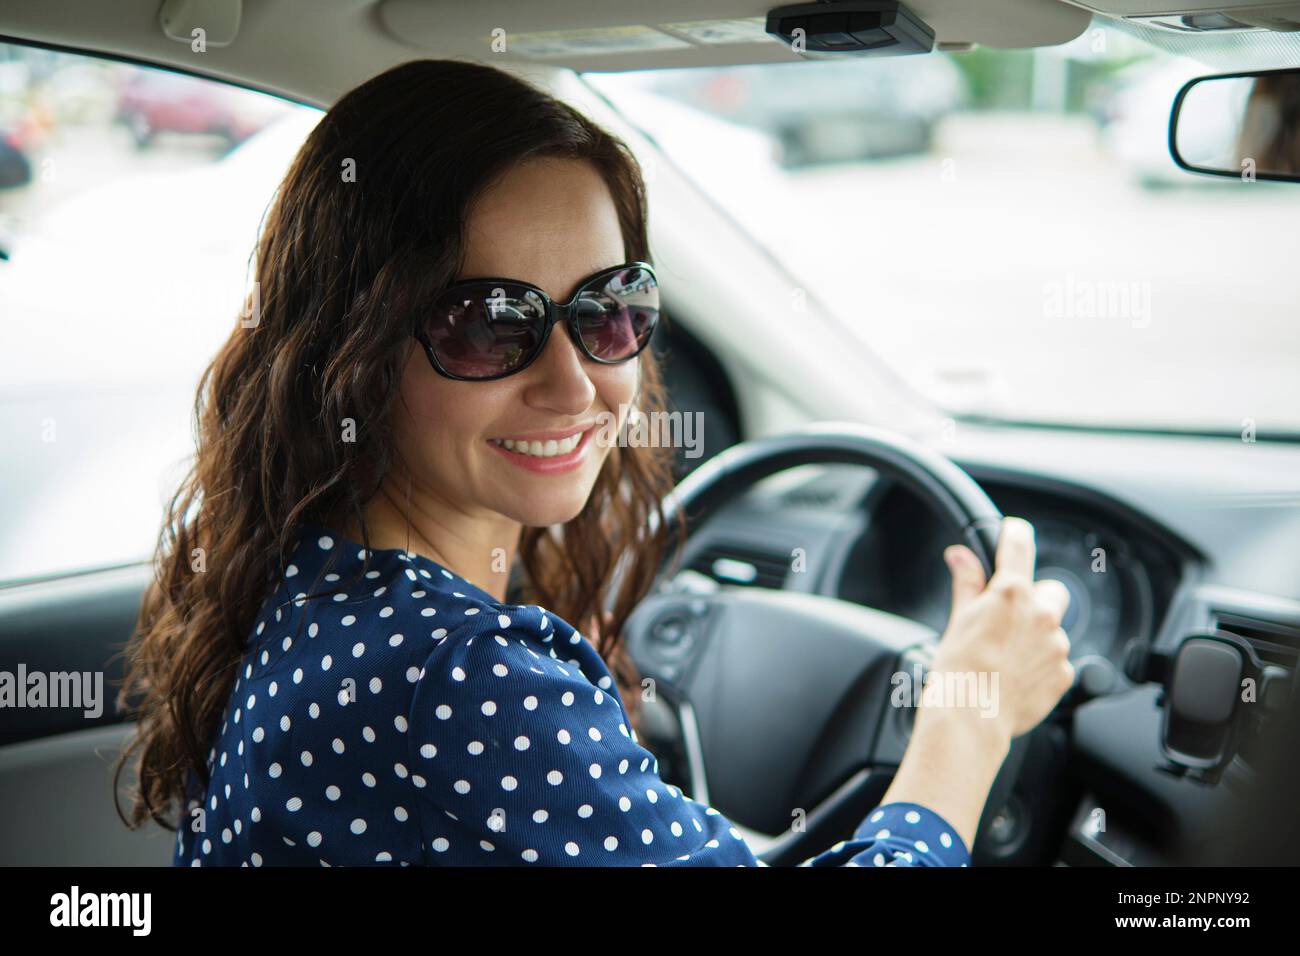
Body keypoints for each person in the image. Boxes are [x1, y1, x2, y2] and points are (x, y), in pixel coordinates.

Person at [115, 58, 1074, 867]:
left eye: (610, 307)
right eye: (492, 325)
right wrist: (968, 718)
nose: (575, 386)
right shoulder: (461, 675)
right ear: (349, 350)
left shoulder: (308, 580)